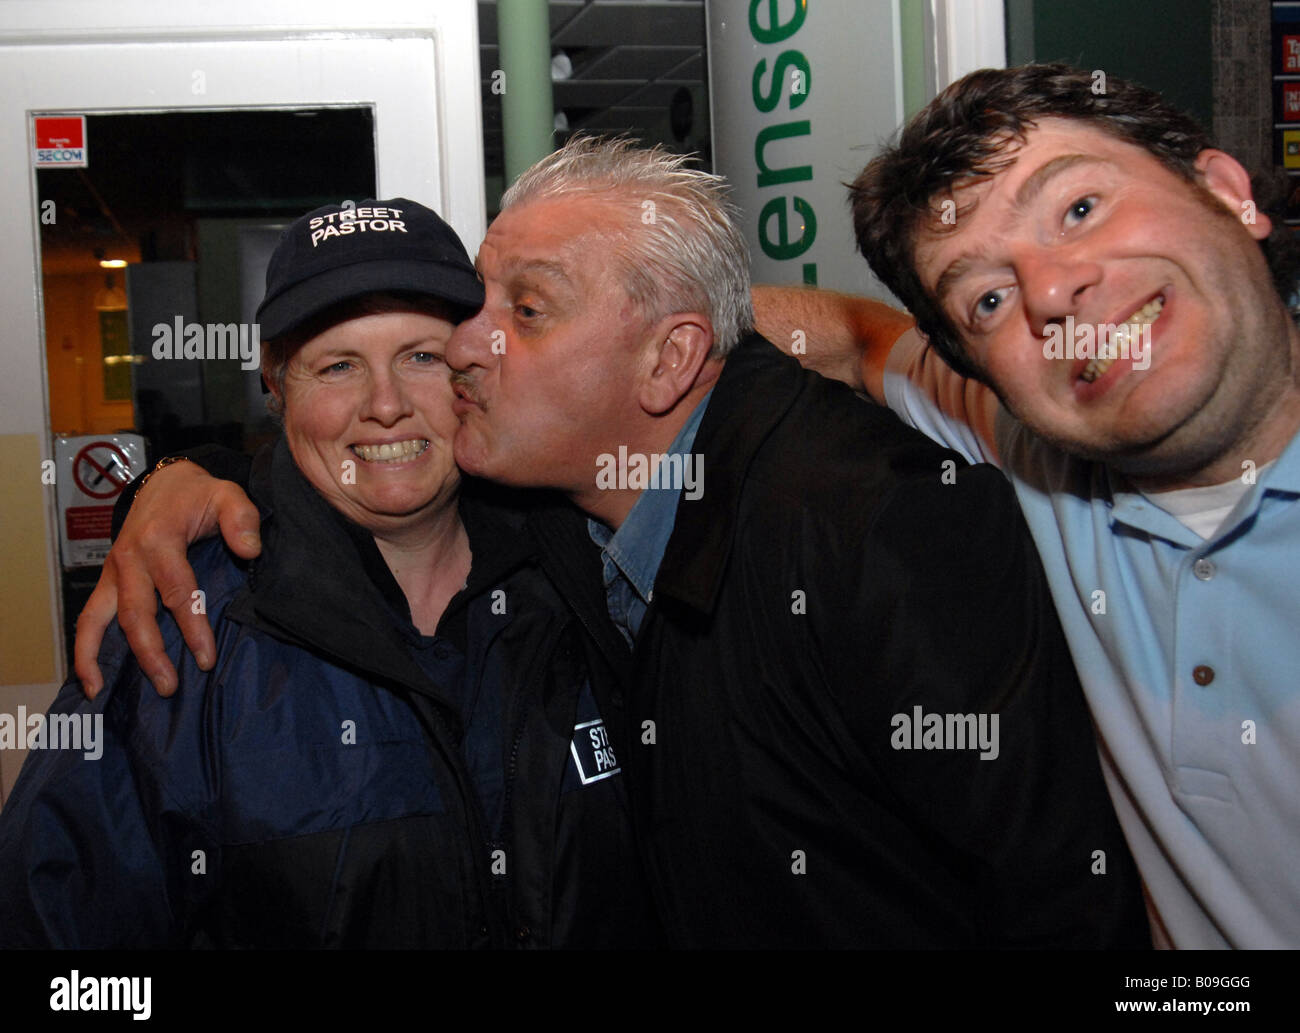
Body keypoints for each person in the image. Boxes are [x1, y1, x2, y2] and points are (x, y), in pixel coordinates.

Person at [77, 143, 1149, 949]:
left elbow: (1055, 893)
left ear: (665, 365)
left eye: (524, 310)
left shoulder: (867, 527)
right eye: (333, 366)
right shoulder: (549, 519)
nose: (462, 346)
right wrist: (178, 480)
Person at [0, 198, 657, 949]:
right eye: (338, 366)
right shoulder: (182, 626)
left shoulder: (591, 573)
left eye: (423, 358)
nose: (386, 406)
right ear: (277, 388)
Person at [752, 63, 1300, 949]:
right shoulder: (1035, 448)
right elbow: (854, 340)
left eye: (1079, 208)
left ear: (1226, 193)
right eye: (989, 299)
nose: (1051, 293)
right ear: (984, 375)